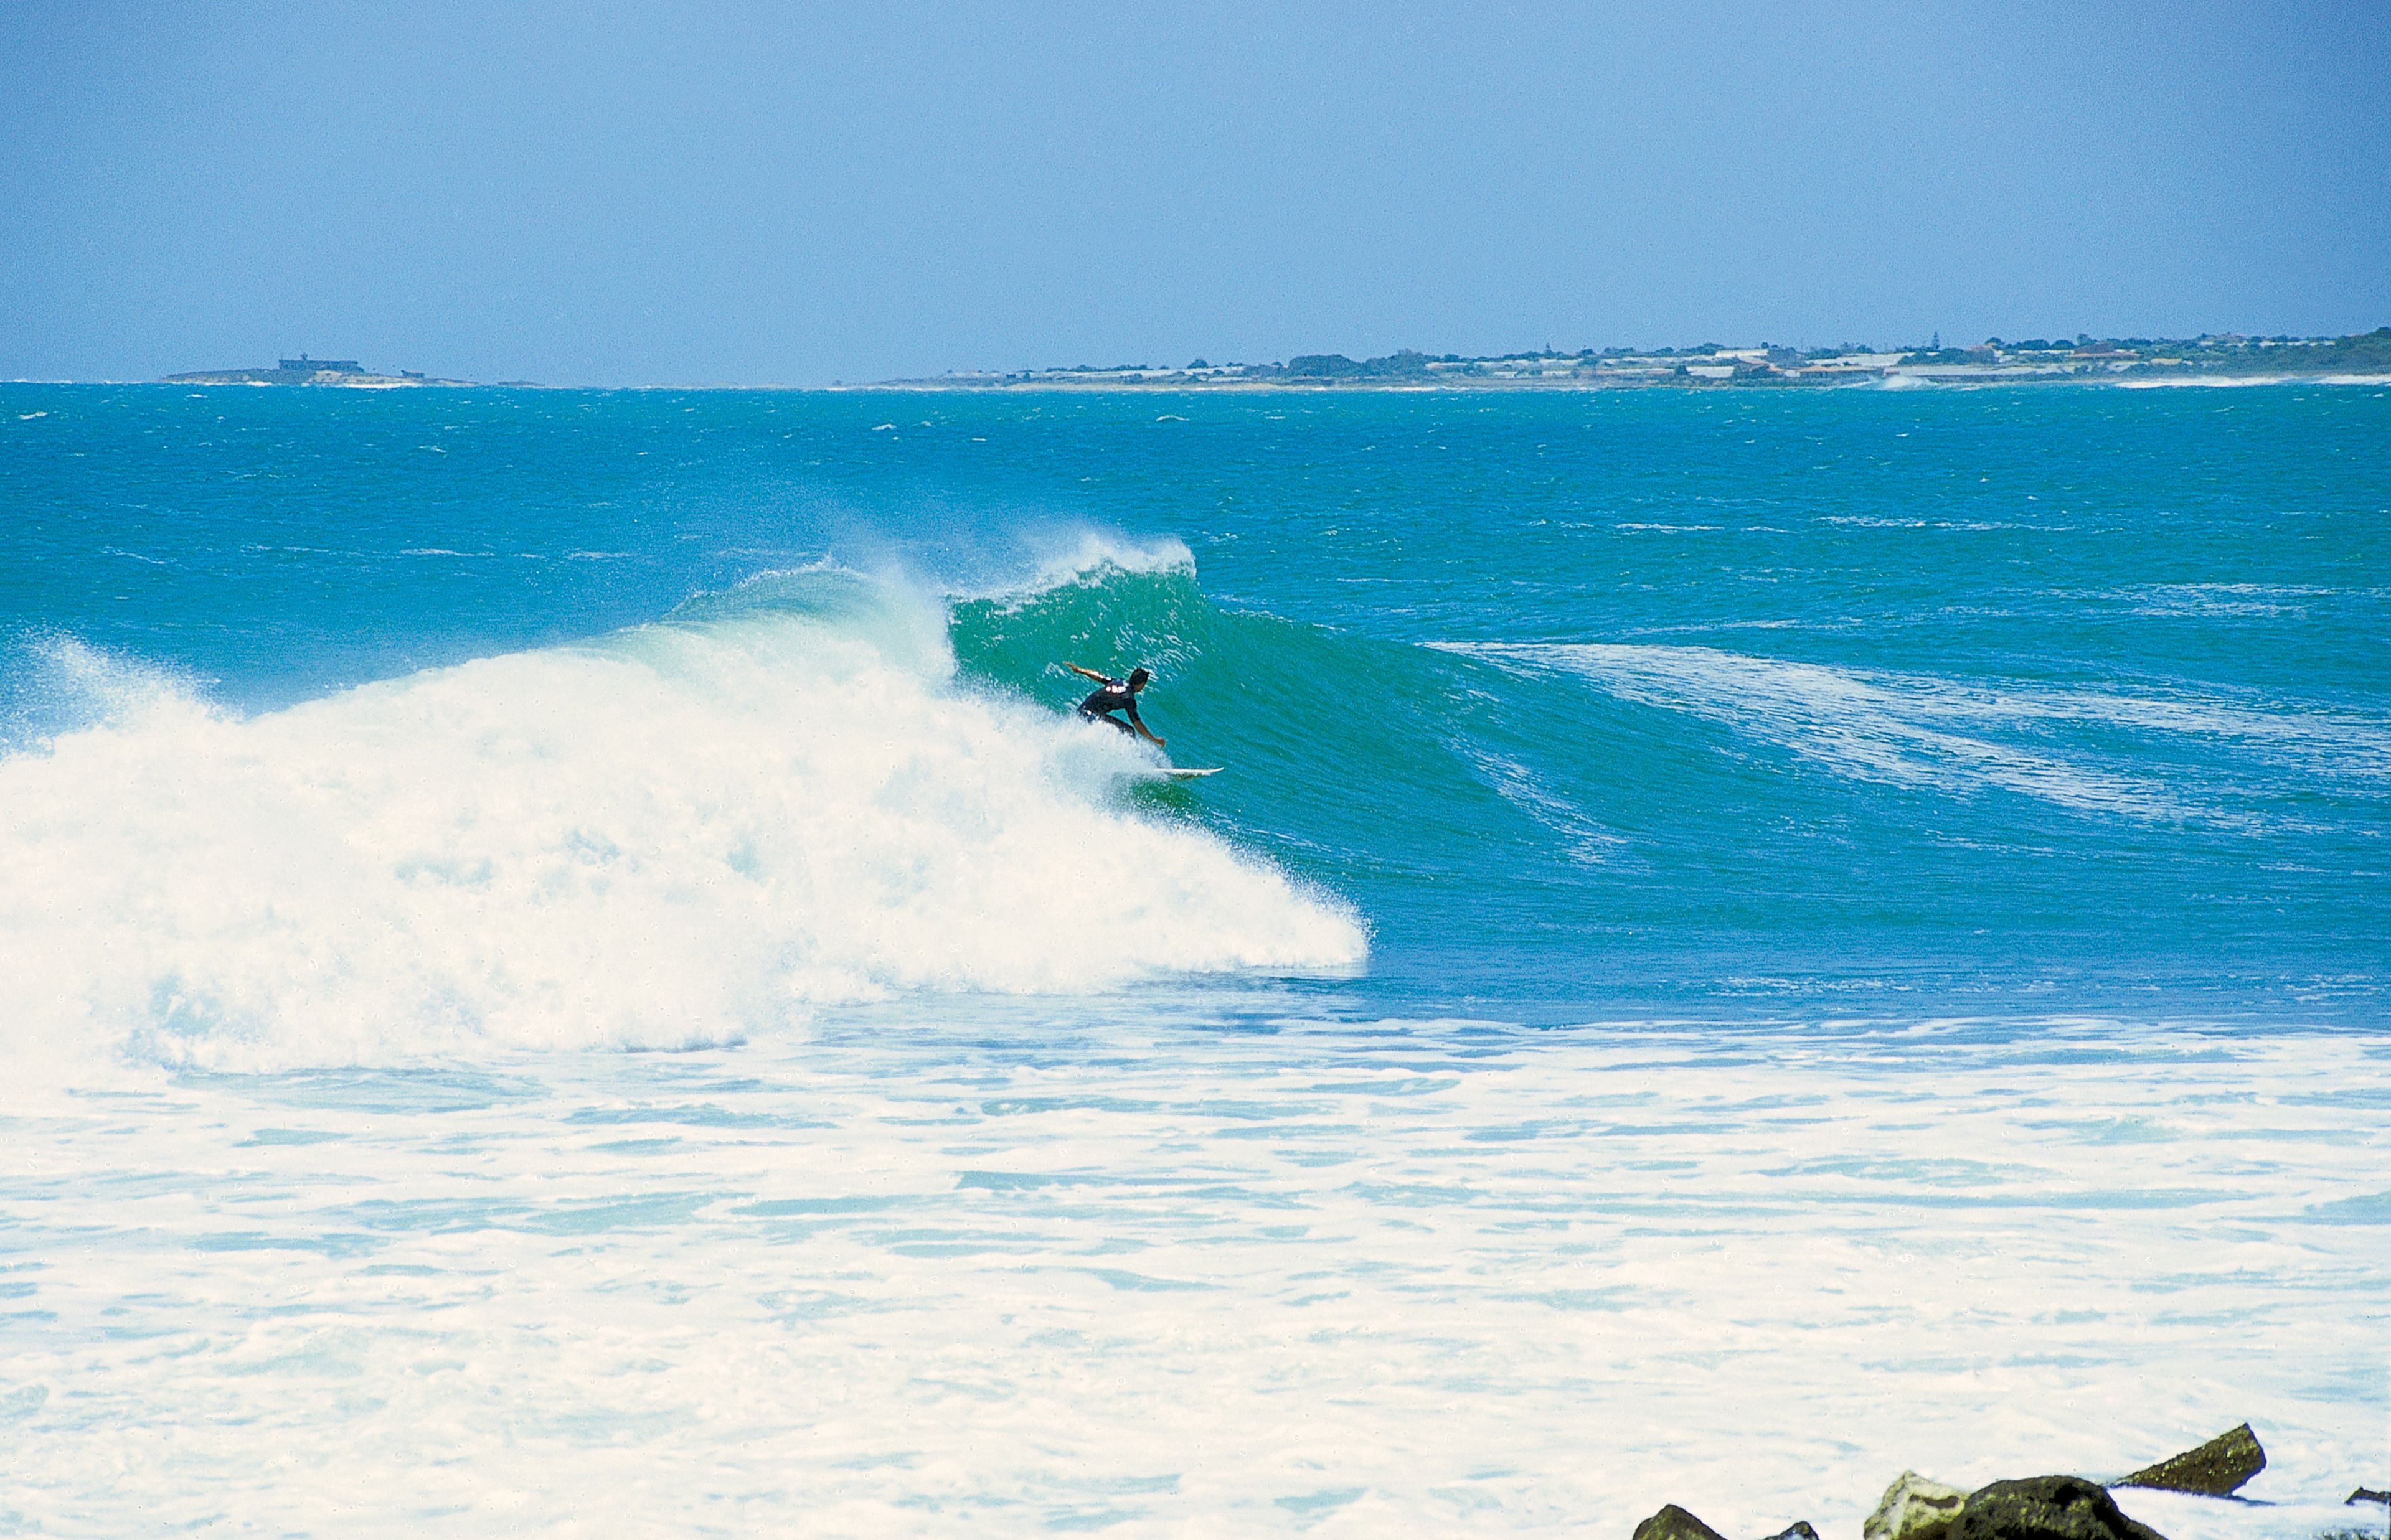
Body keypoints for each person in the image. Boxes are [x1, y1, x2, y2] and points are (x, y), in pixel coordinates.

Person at [1063, 662, 1165, 748]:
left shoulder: (1119, 681)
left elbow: (1099, 677)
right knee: (1129, 732)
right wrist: (1154, 740)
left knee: (1124, 730)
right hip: (1090, 715)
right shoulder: (1129, 698)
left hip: (1083, 711)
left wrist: (1080, 670)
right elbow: (1138, 725)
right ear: (1142, 684)